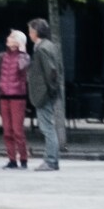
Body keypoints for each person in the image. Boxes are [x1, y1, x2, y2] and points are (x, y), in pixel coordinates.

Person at [26, 18, 65, 171]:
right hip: (48, 92)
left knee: (47, 127)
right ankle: (51, 159)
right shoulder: (51, 46)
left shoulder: (42, 48)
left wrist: (50, 90)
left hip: (44, 93)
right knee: (48, 126)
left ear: (35, 32)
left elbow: (51, 72)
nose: (29, 34)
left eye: (30, 31)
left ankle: (51, 160)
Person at [0, 29, 32, 168]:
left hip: (18, 97)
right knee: (7, 130)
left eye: (12, 37)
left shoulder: (24, 57)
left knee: (17, 130)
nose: (8, 39)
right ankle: (12, 159)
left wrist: (22, 51)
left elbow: (22, 68)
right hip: (4, 95)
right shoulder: (2, 56)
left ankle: (24, 158)